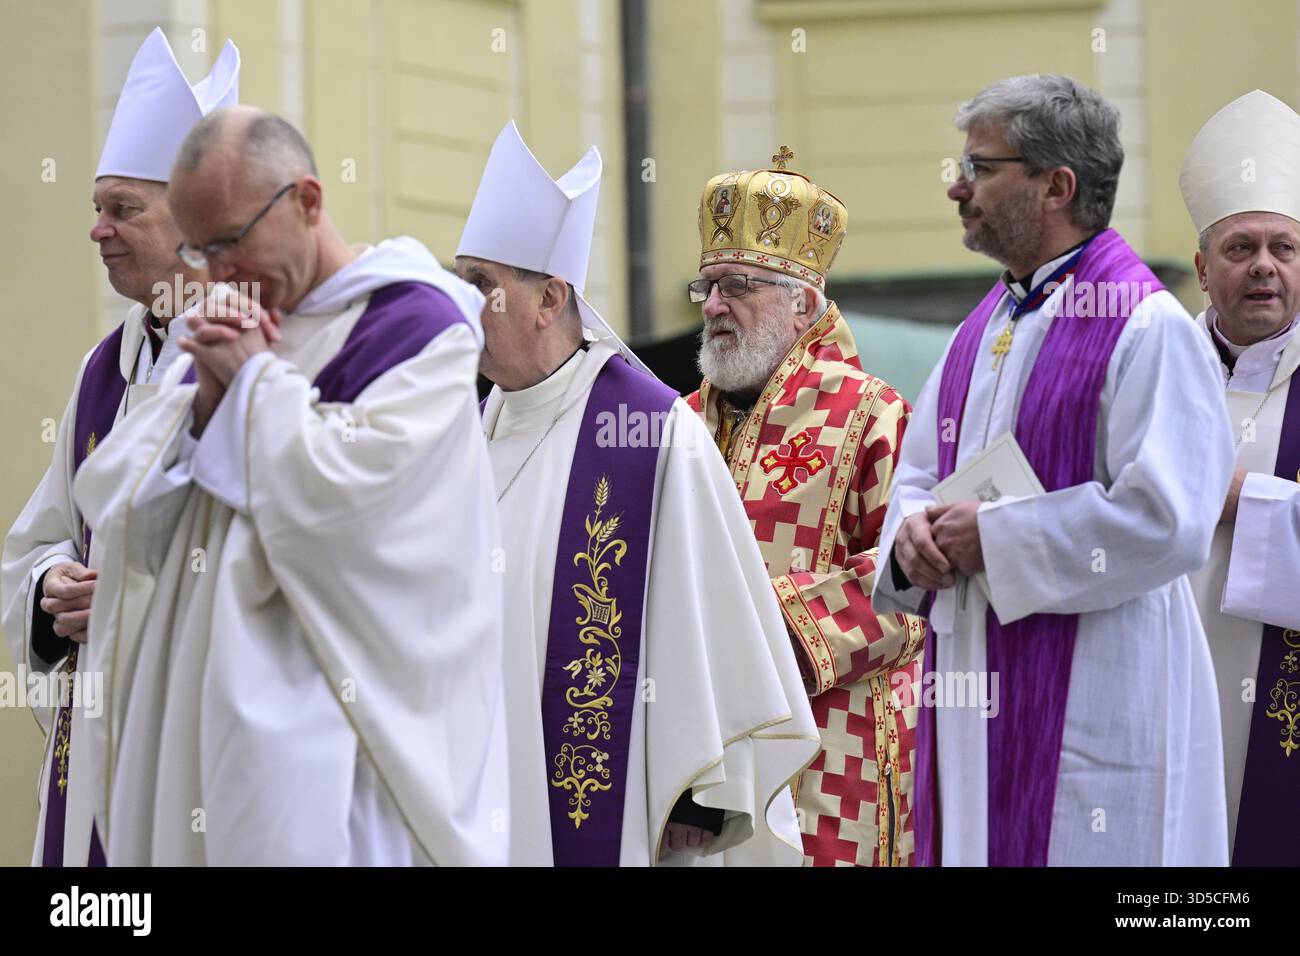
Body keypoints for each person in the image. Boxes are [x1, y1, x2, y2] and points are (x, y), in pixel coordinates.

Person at [72, 106, 509, 865]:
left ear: (307, 201)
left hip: (344, 747)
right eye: (200, 250)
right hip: (204, 729)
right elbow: (125, 519)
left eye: (231, 243)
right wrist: (204, 405)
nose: (218, 274)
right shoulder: (225, 321)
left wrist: (251, 383)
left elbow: (360, 518)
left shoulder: (416, 329)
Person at [873, 74, 1235, 866]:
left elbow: (1167, 520)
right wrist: (912, 536)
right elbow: (920, 474)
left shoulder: (1146, 326)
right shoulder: (984, 323)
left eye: (980, 166)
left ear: (1055, 186)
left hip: (1099, 695)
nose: (955, 186)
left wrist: (994, 539)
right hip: (971, 688)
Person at [457, 121, 818, 866]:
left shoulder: (647, 434)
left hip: (608, 806)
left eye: (481, 286)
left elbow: (714, 626)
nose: (461, 308)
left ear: (550, 297)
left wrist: (699, 792)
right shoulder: (469, 426)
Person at [1, 27, 238, 867]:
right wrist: (48, 588)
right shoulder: (104, 370)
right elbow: (37, 540)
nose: (97, 230)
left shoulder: (259, 363)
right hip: (95, 749)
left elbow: (285, 571)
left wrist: (137, 608)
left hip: (208, 771)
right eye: (95, 208)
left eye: (122, 210)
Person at [686, 147, 926, 866]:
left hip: (835, 748)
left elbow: (912, 580)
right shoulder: (676, 423)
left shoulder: (873, 414)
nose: (716, 305)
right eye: (707, 286)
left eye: (740, 286)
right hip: (701, 749)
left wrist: (762, 637)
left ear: (802, 303)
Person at [1181, 89, 1300, 865]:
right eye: (1240, 247)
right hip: (1169, 688)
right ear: (1201, 267)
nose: (1263, 266)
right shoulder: (1148, 377)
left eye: (1283, 248)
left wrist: (1237, 502)